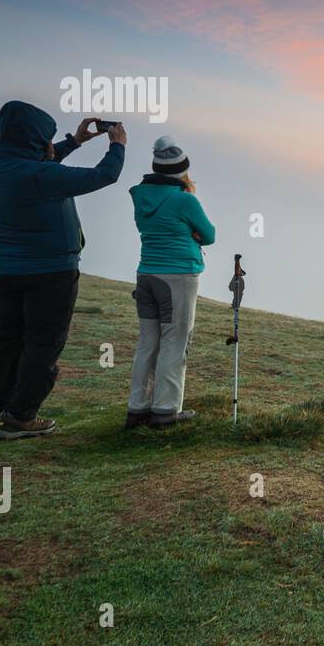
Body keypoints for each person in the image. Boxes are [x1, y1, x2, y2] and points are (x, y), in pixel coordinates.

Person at [0, 101, 127, 439]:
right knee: (43, 344)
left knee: (4, 339)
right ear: (37, 140)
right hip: (52, 272)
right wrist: (117, 144)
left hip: (6, 270)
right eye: (48, 138)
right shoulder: (43, 176)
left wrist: (75, 141)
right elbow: (106, 175)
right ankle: (20, 417)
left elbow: (31, 164)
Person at [126, 136, 215, 429]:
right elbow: (210, 235)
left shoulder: (140, 194)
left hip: (147, 273)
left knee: (148, 341)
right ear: (182, 170)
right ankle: (165, 409)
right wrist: (192, 233)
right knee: (175, 341)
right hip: (178, 275)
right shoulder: (184, 199)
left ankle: (138, 408)